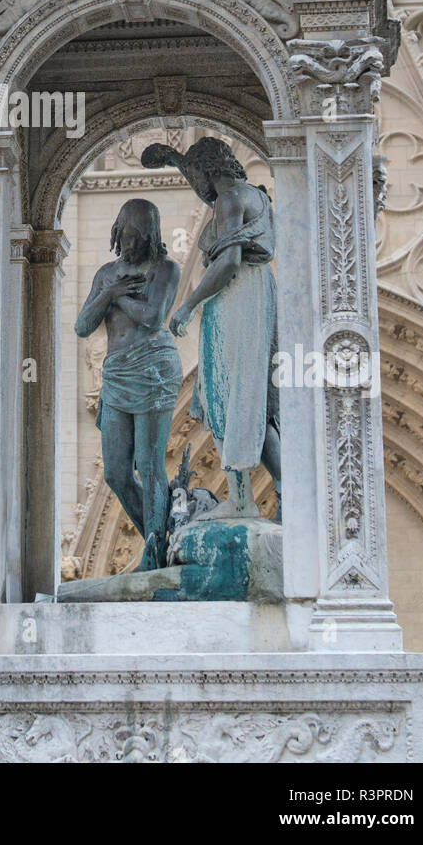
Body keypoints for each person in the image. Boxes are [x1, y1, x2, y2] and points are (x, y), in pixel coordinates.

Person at [141, 137, 282, 522]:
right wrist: (173, 158)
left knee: (226, 392)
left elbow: (227, 262)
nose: (196, 187)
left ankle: (240, 499)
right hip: (258, 294)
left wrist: (187, 305)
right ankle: (287, 488)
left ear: (206, 171)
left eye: (195, 176)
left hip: (234, 298)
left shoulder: (229, 200)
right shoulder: (255, 196)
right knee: (256, 398)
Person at [75, 198, 181, 570]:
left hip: (154, 370)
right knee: (117, 472)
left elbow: (153, 319)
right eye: (127, 234)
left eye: (139, 235)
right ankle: (165, 537)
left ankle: (155, 553)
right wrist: (110, 293)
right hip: (117, 374)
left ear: (151, 235)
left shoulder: (165, 269)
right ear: (117, 233)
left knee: (150, 466)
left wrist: (118, 300)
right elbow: (82, 326)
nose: (132, 242)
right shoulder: (107, 274)